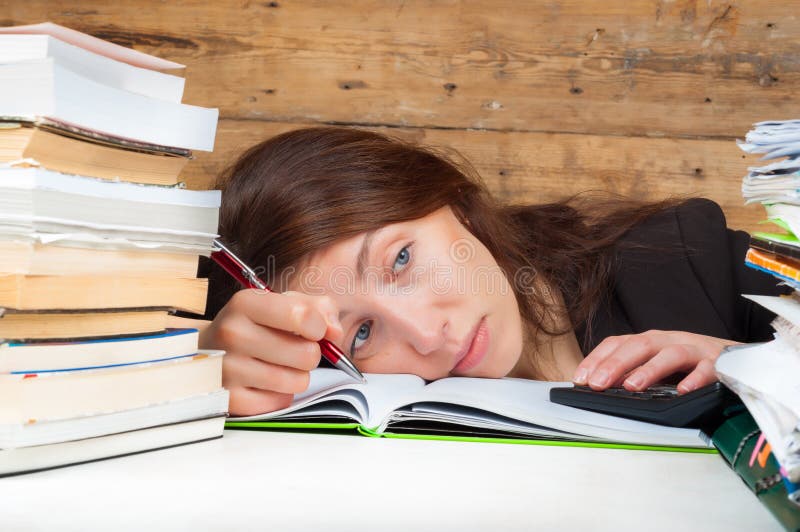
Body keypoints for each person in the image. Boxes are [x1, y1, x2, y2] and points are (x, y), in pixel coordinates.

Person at [188, 127, 785, 416]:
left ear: (454, 202)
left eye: (402, 259)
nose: (428, 335)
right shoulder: (355, 404)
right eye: (362, 333)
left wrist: (761, 366)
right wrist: (204, 377)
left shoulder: (686, 253)